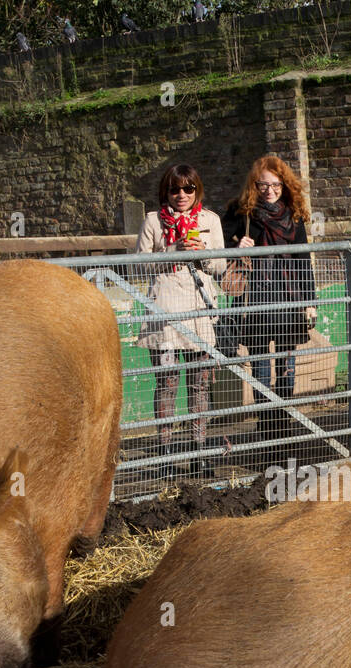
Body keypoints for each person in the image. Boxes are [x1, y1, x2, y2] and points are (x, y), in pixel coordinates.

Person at [135, 163, 227, 476]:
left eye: (188, 188)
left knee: (200, 386)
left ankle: (199, 454)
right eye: (175, 189)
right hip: (165, 314)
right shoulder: (152, 221)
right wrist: (174, 249)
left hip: (199, 310)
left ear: (196, 189)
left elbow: (220, 267)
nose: (182, 195)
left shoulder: (209, 220)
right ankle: (166, 456)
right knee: (167, 385)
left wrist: (202, 252)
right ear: (166, 192)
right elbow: (139, 266)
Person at [222, 155, 317, 439]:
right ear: (255, 185)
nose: (269, 190)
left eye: (275, 185)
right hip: (257, 299)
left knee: (287, 365)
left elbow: (303, 259)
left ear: (284, 185)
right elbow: (218, 240)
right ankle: (266, 427)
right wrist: (239, 243)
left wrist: (310, 302)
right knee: (261, 366)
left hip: (289, 298)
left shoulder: (293, 213)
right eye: (263, 185)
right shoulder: (242, 212)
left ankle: (282, 424)